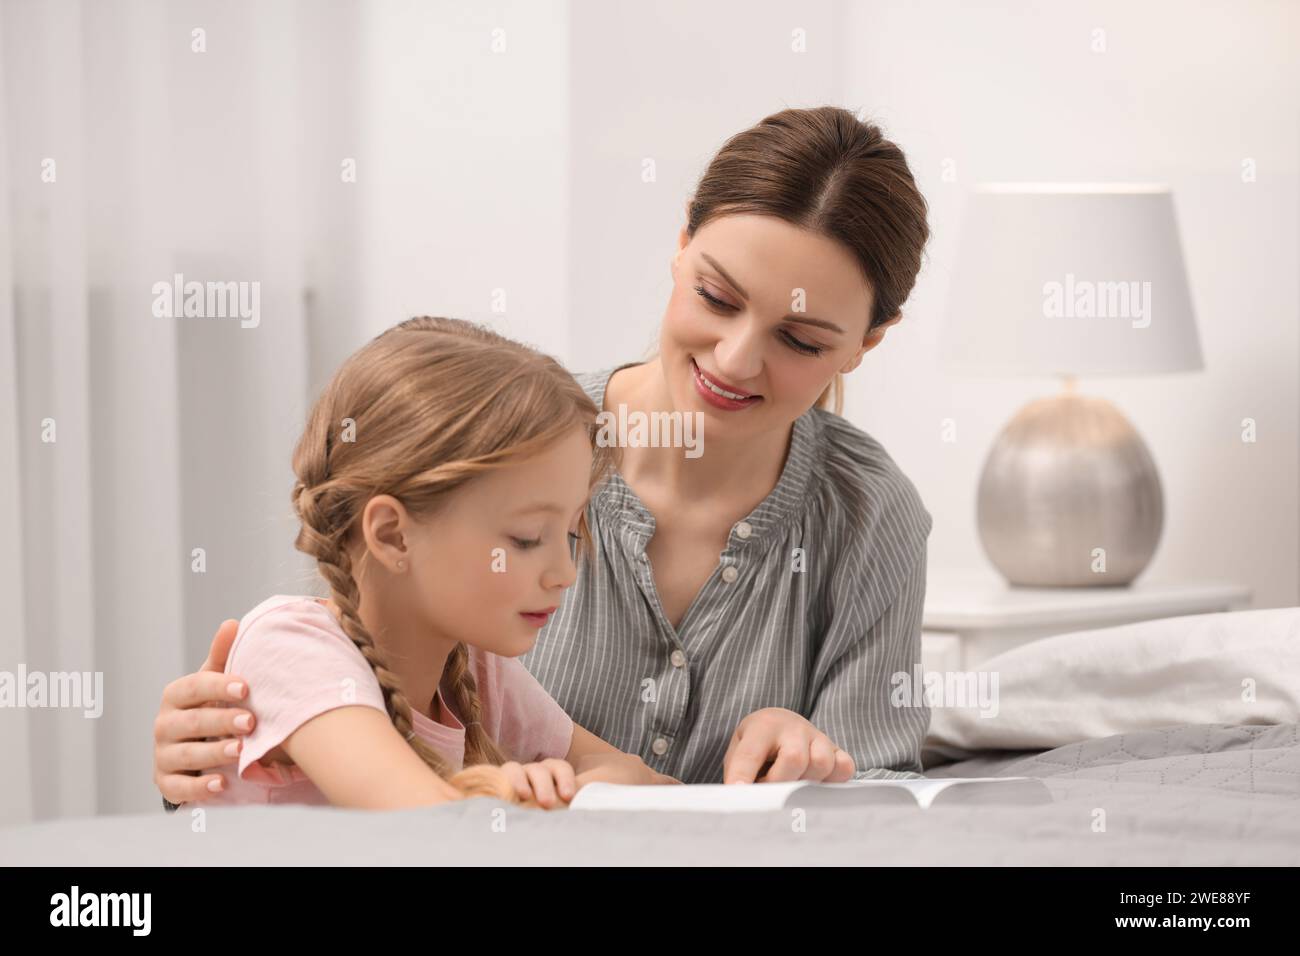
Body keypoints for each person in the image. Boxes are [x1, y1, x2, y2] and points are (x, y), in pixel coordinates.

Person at [154, 105, 933, 806]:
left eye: (798, 340)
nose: (733, 360)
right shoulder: (522, 442)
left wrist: (809, 759)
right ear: (681, 244)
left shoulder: (869, 515)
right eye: (717, 298)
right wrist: (201, 760)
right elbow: (346, 671)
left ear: (866, 342)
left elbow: (881, 802)